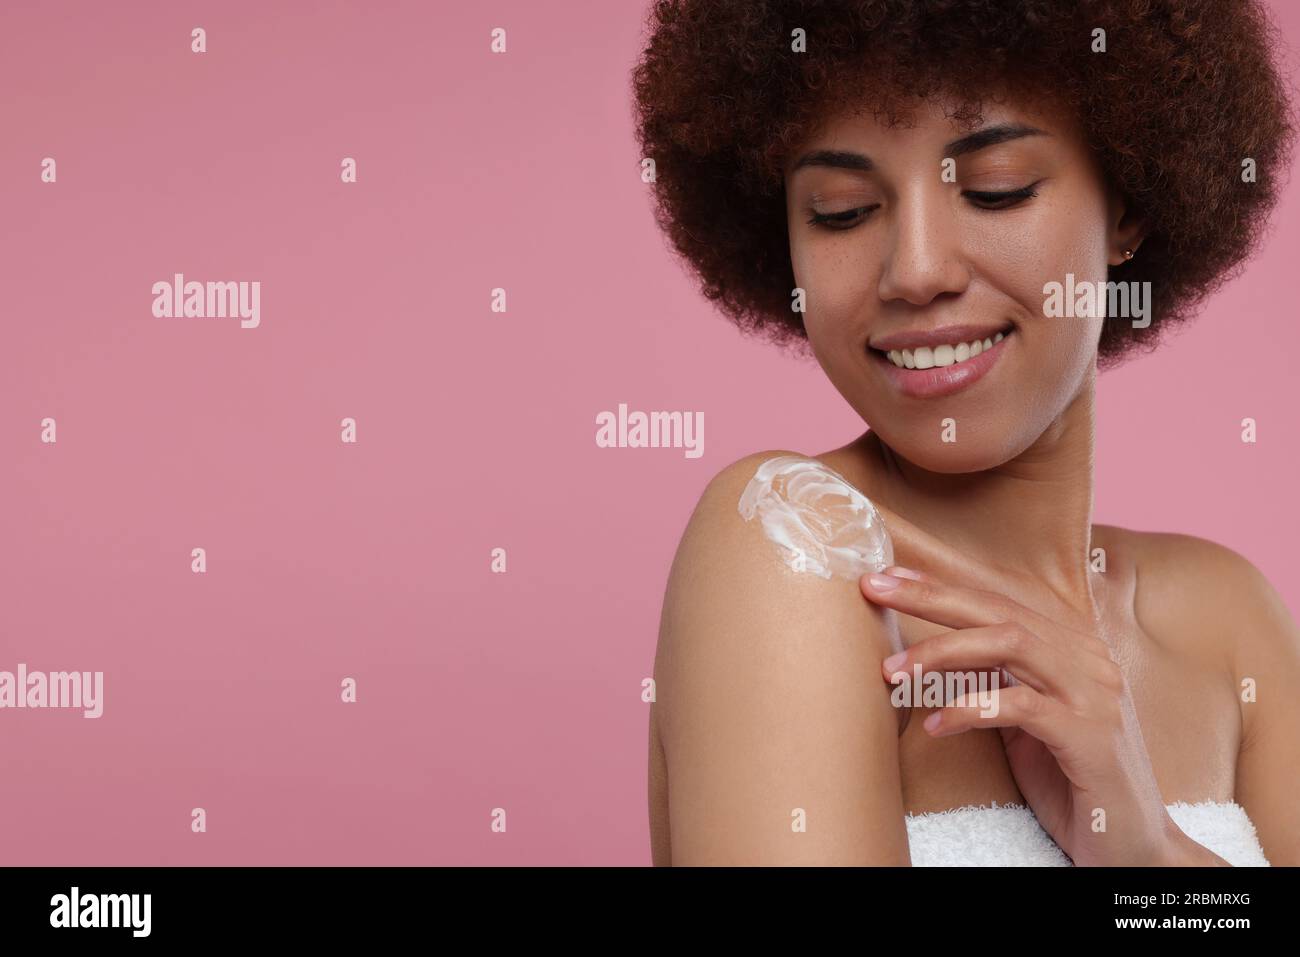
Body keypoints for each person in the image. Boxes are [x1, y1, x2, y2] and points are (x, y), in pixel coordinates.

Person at [634, 0, 1298, 865]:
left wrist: (1144, 854)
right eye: (840, 210)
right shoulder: (791, 545)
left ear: (1128, 209)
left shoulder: (1224, 618)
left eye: (995, 189)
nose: (915, 270)